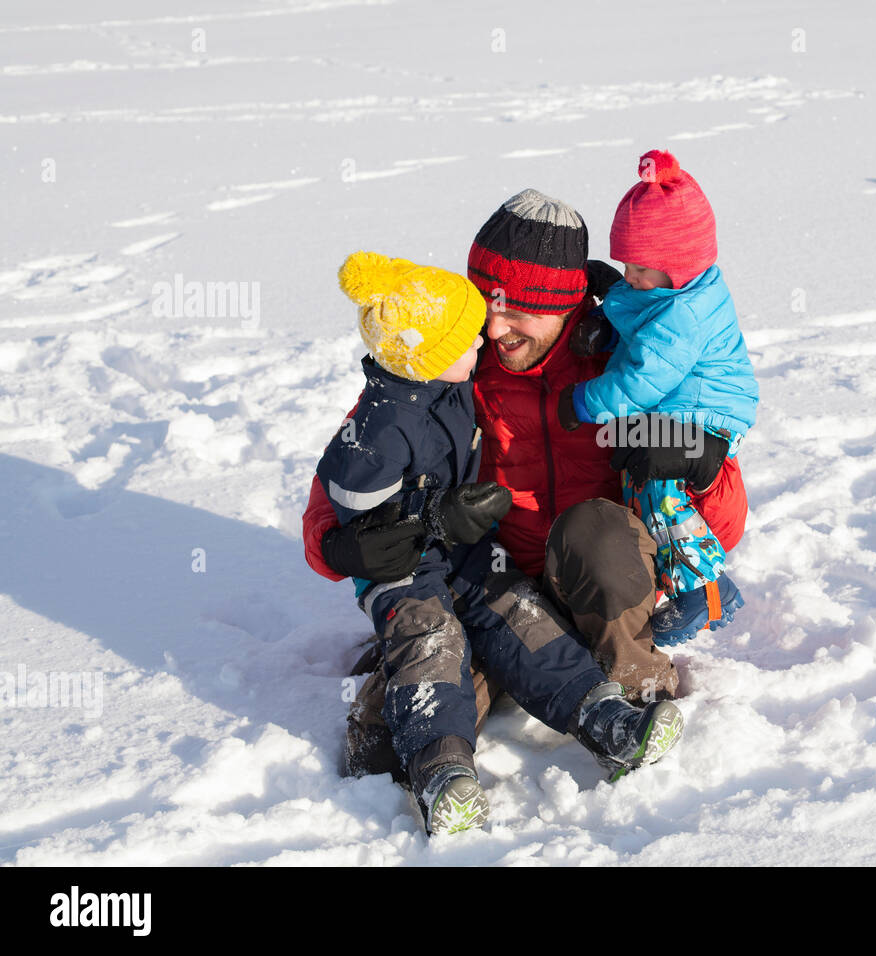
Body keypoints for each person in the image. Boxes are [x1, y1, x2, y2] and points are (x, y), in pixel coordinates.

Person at [300, 190, 749, 781]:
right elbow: (354, 470)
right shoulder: (452, 360)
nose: (494, 325)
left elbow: (720, 529)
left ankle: (632, 686)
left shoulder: (628, 365)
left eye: (518, 309)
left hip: (597, 587)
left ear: (566, 306)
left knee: (598, 531)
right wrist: (341, 546)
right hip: (490, 589)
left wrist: (703, 464)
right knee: (392, 742)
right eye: (486, 301)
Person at [312, 251, 682, 835]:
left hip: (482, 558)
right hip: (412, 570)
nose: (487, 337)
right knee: (430, 651)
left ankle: (604, 715)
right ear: (430, 353)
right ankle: (443, 775)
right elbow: (344, 502)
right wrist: (362, 542)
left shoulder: (615, 365)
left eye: (518, 314)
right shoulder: (390, 416)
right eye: (470, 336)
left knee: (524, 618)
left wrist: (625, 316)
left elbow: (706, 501)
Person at [557, 150, 758, 645]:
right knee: (639, 481)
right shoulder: (674, 291)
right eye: (627, 264)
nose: (630, 276)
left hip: (705, 418)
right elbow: (641, 326)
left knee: (661, 489)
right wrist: (607, 329)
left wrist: (583, 401)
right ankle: (675, 579)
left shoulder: (682, 316)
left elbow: (641, 380)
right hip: (680, 412)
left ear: (680, 267)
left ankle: (705, 588)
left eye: (641, 268)